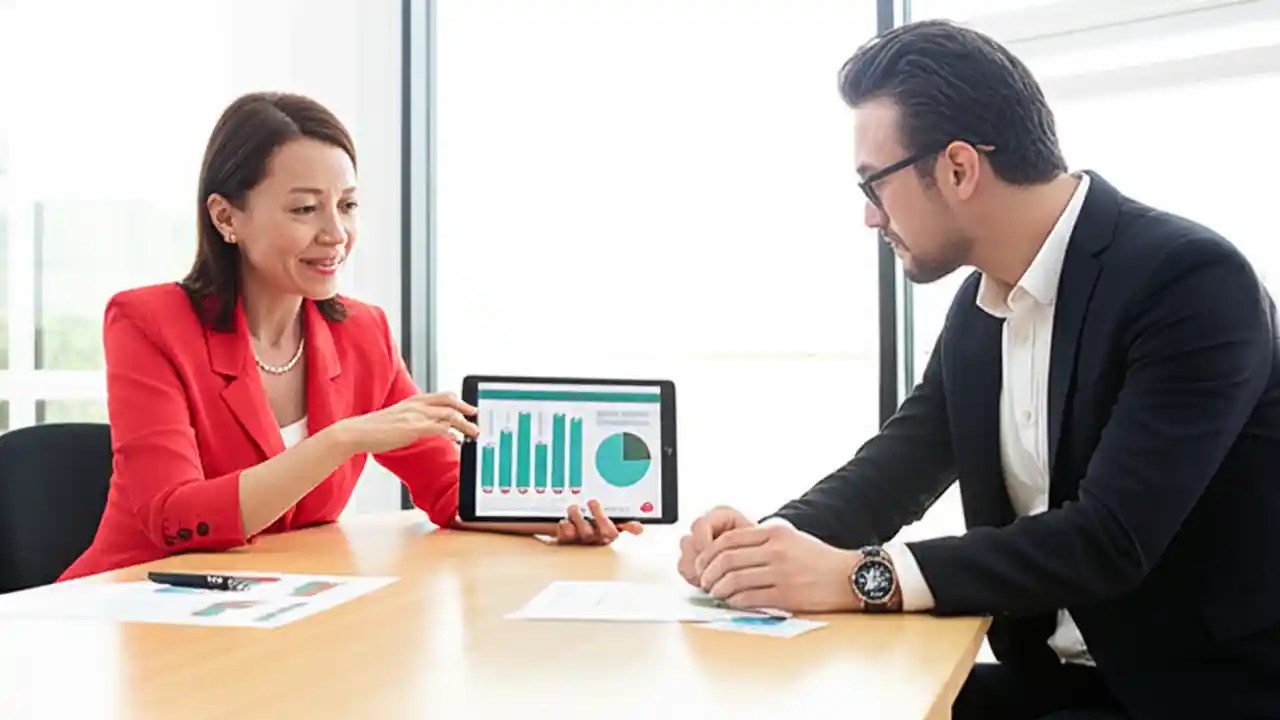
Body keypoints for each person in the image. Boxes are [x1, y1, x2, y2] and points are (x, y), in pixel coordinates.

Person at [676, 20, 1280, 720]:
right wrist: (762, 548)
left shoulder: (1188, 283)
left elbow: (1111, 539)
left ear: (959, 168)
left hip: (1198, 695)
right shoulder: (983, 303)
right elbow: (897, 469)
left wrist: (862, 577)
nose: (871, 218)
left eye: (874, 184)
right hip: (1054, 685)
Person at [60, 92, 640, 582]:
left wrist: (558, 516)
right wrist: (341, 439)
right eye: (305, 209)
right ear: (226, 218)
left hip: (266, 614)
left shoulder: (364, 332)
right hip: (131, 606)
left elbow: (449, 489)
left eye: (348, 205)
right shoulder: (148, 321)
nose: (334, 233)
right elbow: (173, 518)